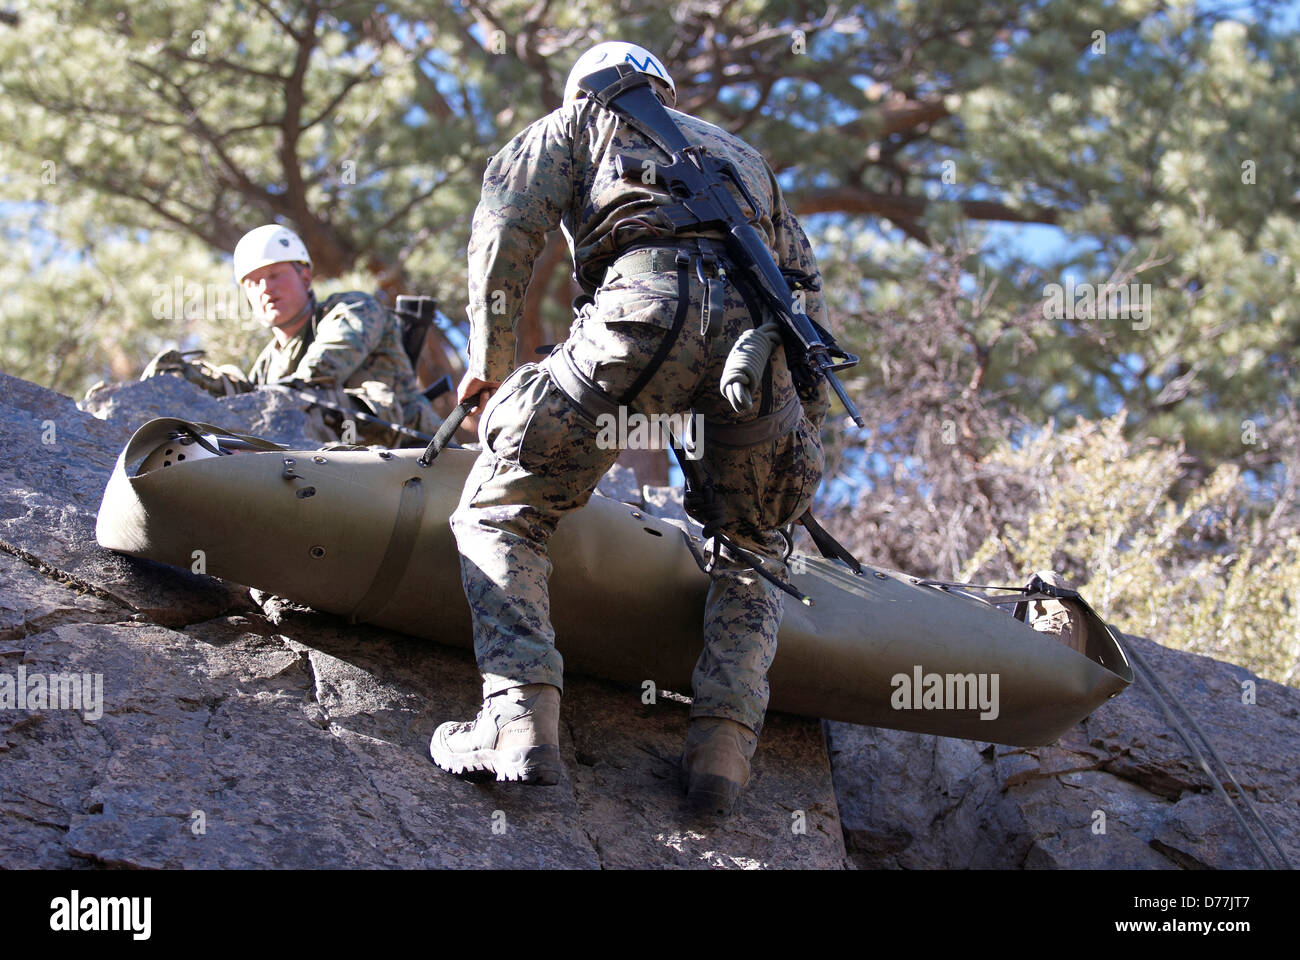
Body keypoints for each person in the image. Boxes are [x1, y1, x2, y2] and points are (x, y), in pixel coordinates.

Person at [429, 41, 830, 818]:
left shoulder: (576, 123)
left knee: (503, 506)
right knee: (753, 547)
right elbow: (803, 297)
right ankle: (721, 752)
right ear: (664, 88)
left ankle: (516, 719)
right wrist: (796, 442)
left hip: (640, 322)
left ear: (587, 89)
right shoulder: (742, 154)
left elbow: (506, 228)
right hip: (759, 356)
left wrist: (490, 361)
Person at [234, 224, 437, 445]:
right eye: (253, 283)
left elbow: (320, 371)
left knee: (304, 402)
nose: (265, 288)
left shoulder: (355, 308)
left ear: (305, 276)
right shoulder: (266, 365)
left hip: (415, 456)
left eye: (275, 275)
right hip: (322, 470)